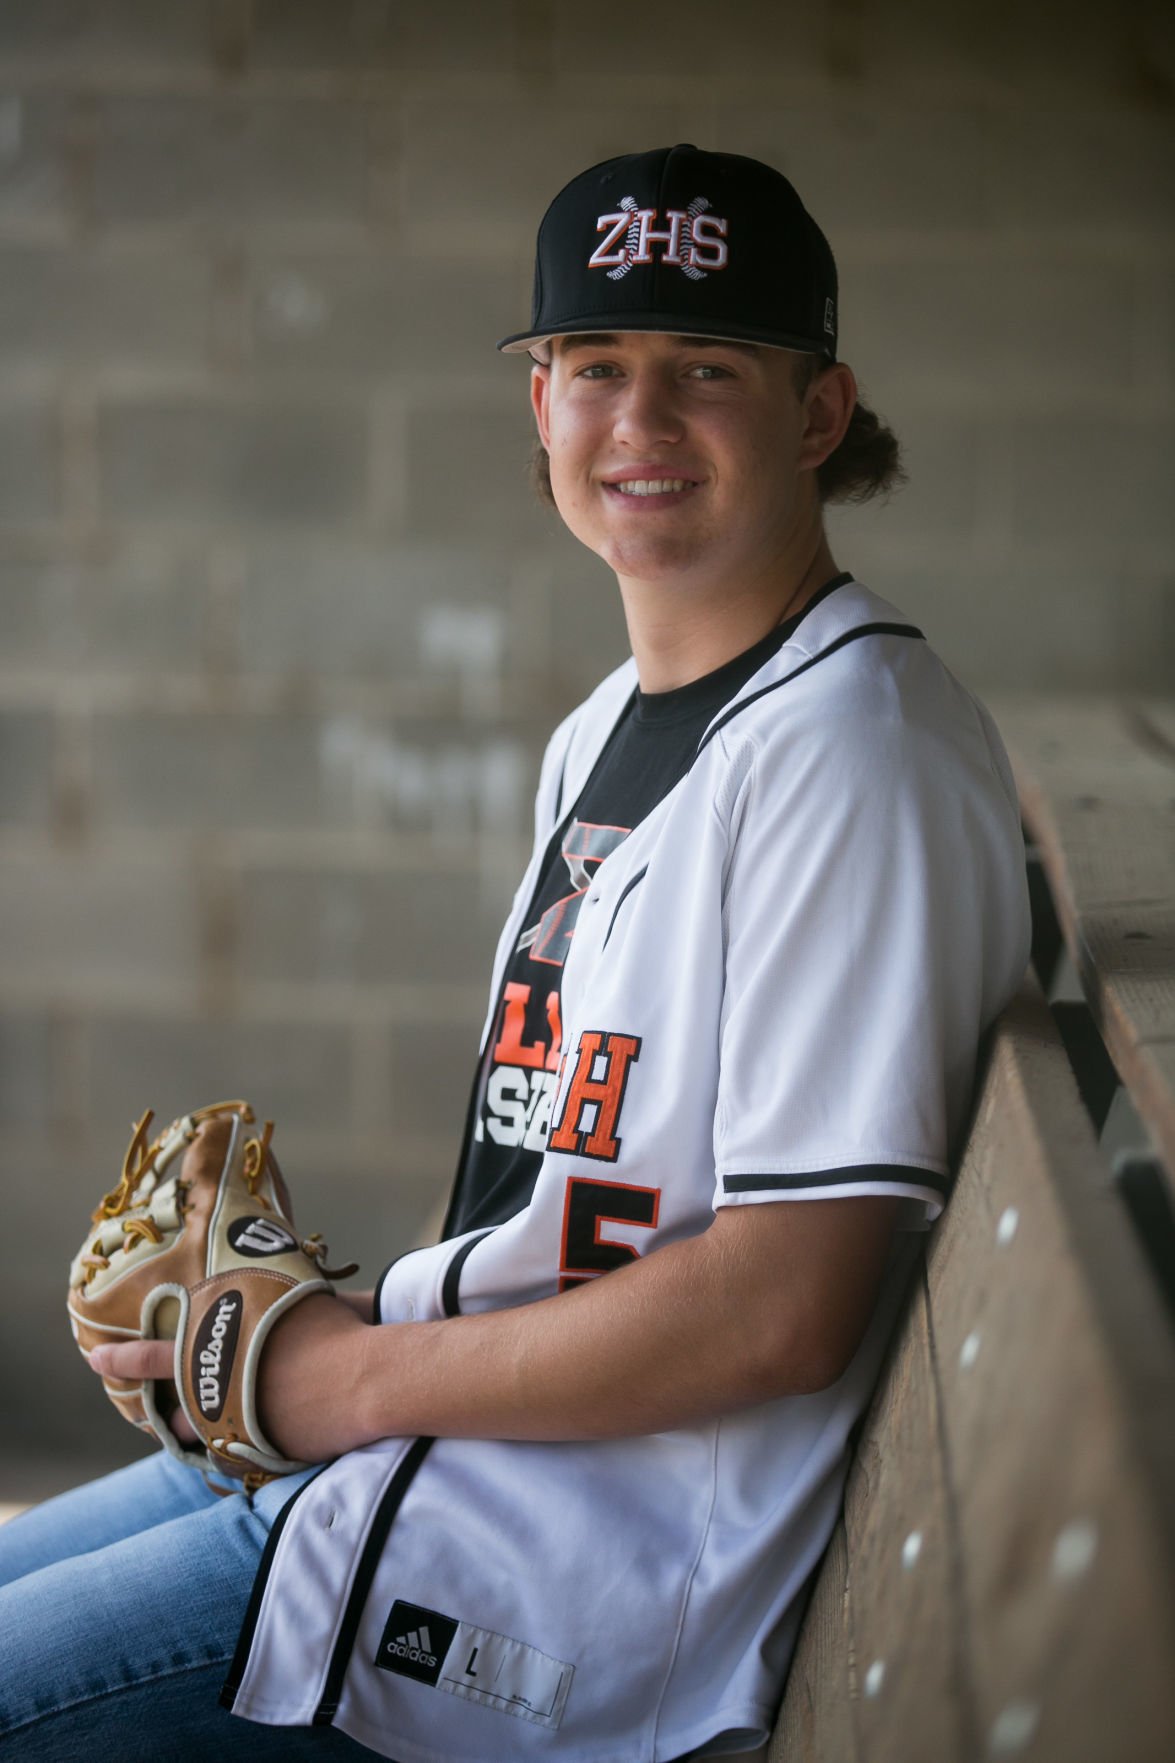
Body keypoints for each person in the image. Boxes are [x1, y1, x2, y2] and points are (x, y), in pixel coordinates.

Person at [0, 144, 1031, 1762]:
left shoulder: (853, 750)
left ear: (818, 413)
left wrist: (339, 1386)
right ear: (538, 405)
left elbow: (784, 1307)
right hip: (429, 1451)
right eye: (594, 367)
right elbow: (529, 1188)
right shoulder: (603, 732)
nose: (640, 422)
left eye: (707, 368)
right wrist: (283, 1340)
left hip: (545, 1574)